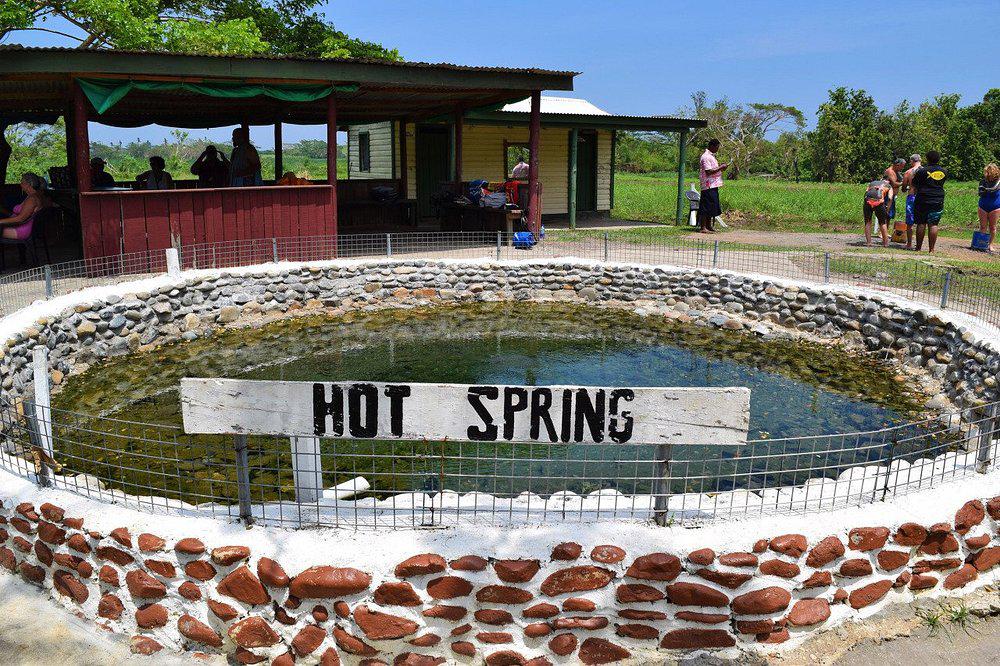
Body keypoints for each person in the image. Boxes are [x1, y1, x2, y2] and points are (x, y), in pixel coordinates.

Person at [912, 150, 947, 253]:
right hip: (938, 199)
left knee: (921, 223)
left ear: (927, 159)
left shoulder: (922, 171)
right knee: (934, 224)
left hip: (922, 198)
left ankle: (918, 248)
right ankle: (931, 250)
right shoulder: (944, 171)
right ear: (938, 159)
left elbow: (914, 184)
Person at [0, 172, 48, 241]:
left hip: (21, 230)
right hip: (19, 226)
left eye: (22, 182)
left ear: (28, 184)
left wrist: (0, 221)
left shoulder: (32, 199)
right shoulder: (32, 196)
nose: (20, 184)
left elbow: (20, 219)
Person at [697, 138, 728, 233]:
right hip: (708, 185)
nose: (717, 149)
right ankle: (703, 227)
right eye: (717, 147)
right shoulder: (706, 157)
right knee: (705, 206)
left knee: (711, 206)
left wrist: (721, 168)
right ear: (712, 146)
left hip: (713, 184)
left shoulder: (711, 156)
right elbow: (708, 171)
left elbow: (714, 169)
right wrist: (721, 167)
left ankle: (708, 226)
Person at [900, 154, 922, 249]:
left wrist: (908, 186)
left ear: (912, 161)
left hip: (912, 197)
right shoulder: (926, 171)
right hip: (922, 197)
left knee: (910, 222)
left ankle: (909, 244)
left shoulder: (908, 172)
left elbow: (904, 188)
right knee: (921, 222)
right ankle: (919, 245)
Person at [978, 162, 1000, 254]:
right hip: (983, 205)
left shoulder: (999, 181)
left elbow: (994, 189)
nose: (987, 174)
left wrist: (985, 189)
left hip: (995, 207)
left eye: (989, 172)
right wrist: (982, 190)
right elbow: (980, 192)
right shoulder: (983, 181)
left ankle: (990, 245)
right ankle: (981, 244)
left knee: (993, 227)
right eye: (986, 172)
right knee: (983, 227)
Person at [863, 178, 892, 247]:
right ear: (888, 181)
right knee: (882, 222)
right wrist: (887, 209)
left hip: (867, 201)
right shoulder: (889, 186)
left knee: (867, 222)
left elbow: (866, 192)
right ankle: (885, 244)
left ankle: (868, 243)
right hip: (878, 201)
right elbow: (890, 198)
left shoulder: (872, 183)